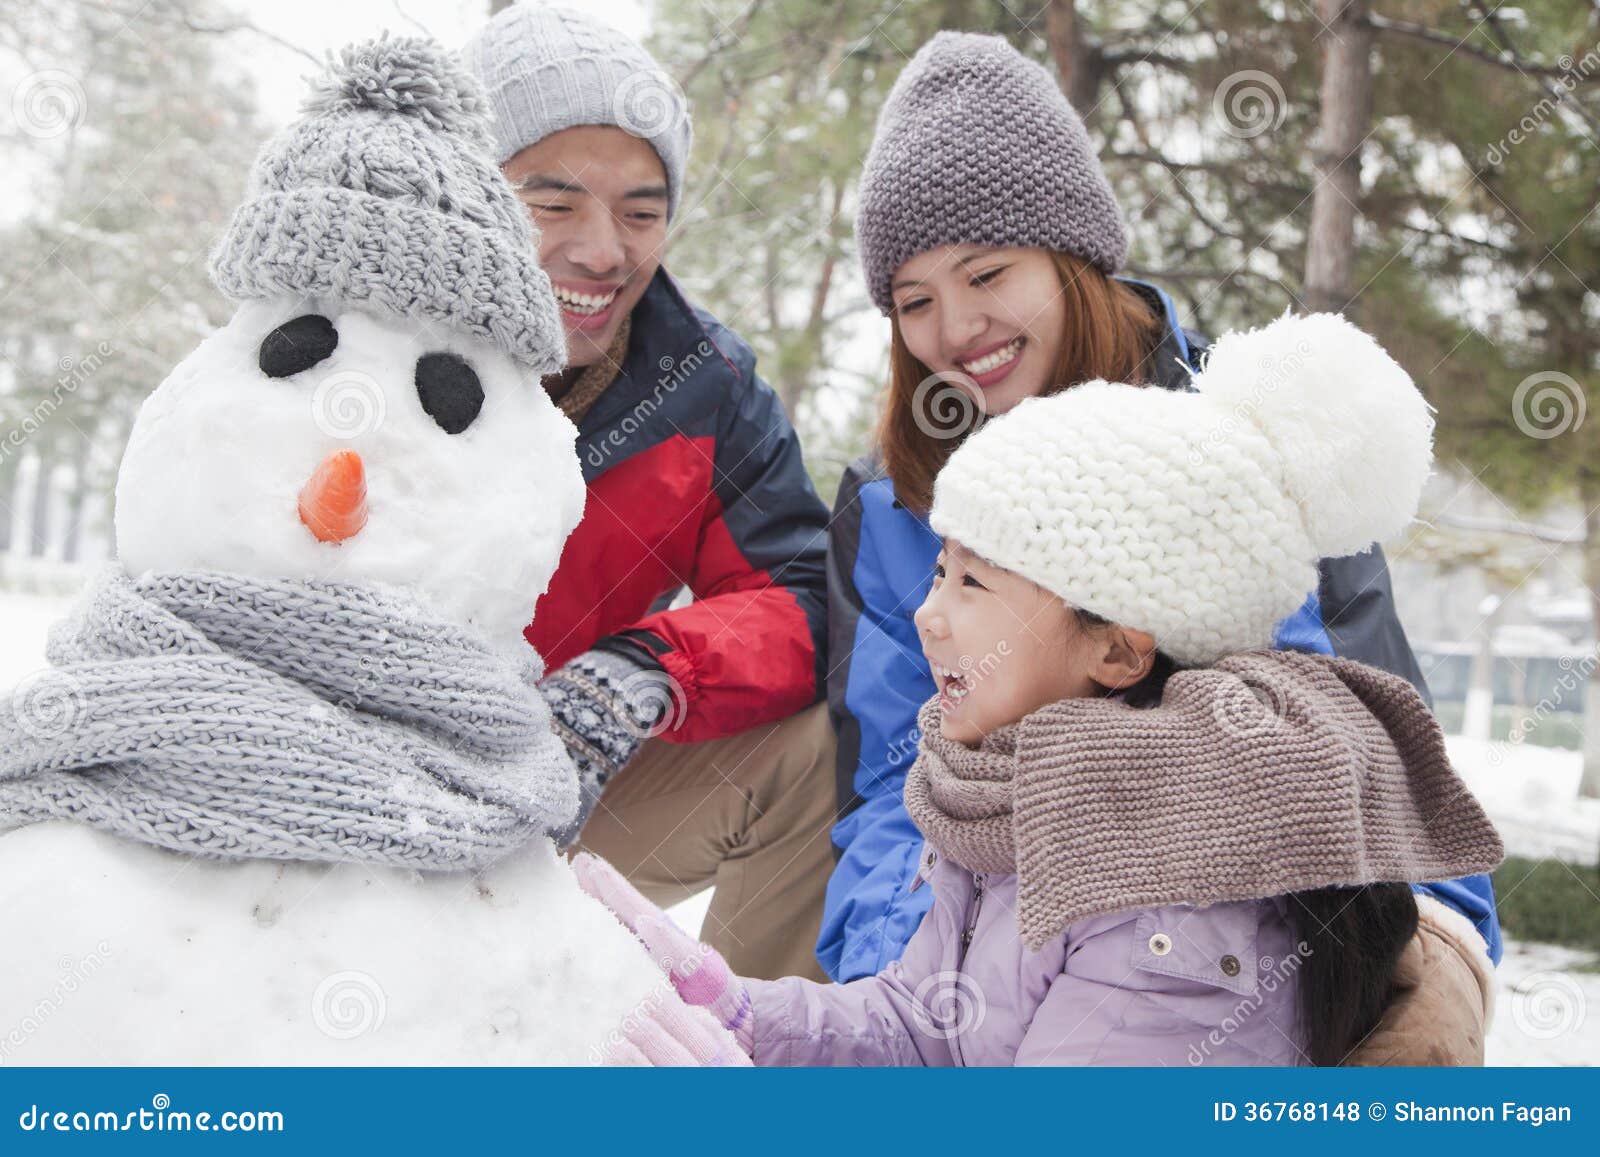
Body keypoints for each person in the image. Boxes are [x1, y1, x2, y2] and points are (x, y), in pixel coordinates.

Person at [573, 311, 1504, 1066]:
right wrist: (733, 1009)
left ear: (1118, 651)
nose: (930, 616)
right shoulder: (1004, 801)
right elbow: (915, 1032)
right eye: (939, 572)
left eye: (974, 584)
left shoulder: (1169, 891)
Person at [819, 30, 1502, 987]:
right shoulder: (894, 507)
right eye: (913, 300)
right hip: (990, 958)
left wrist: (1434, 959)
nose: (956, 330)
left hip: (1241, 955)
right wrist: (907, 998)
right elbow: (887, 790)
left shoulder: (1248, 443)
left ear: (1071, 258)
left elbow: (1374, 749)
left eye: (987, 275)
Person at [465, 4, 834, 981]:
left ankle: (749, 1073)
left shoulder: (702, 388)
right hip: (329, 800)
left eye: (640, 210)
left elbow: (805, 592)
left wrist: (645, 668)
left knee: (818, 748)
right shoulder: (351, 348)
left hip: (558, 792)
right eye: (554, 203)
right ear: (467, 193)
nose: (603, 251)